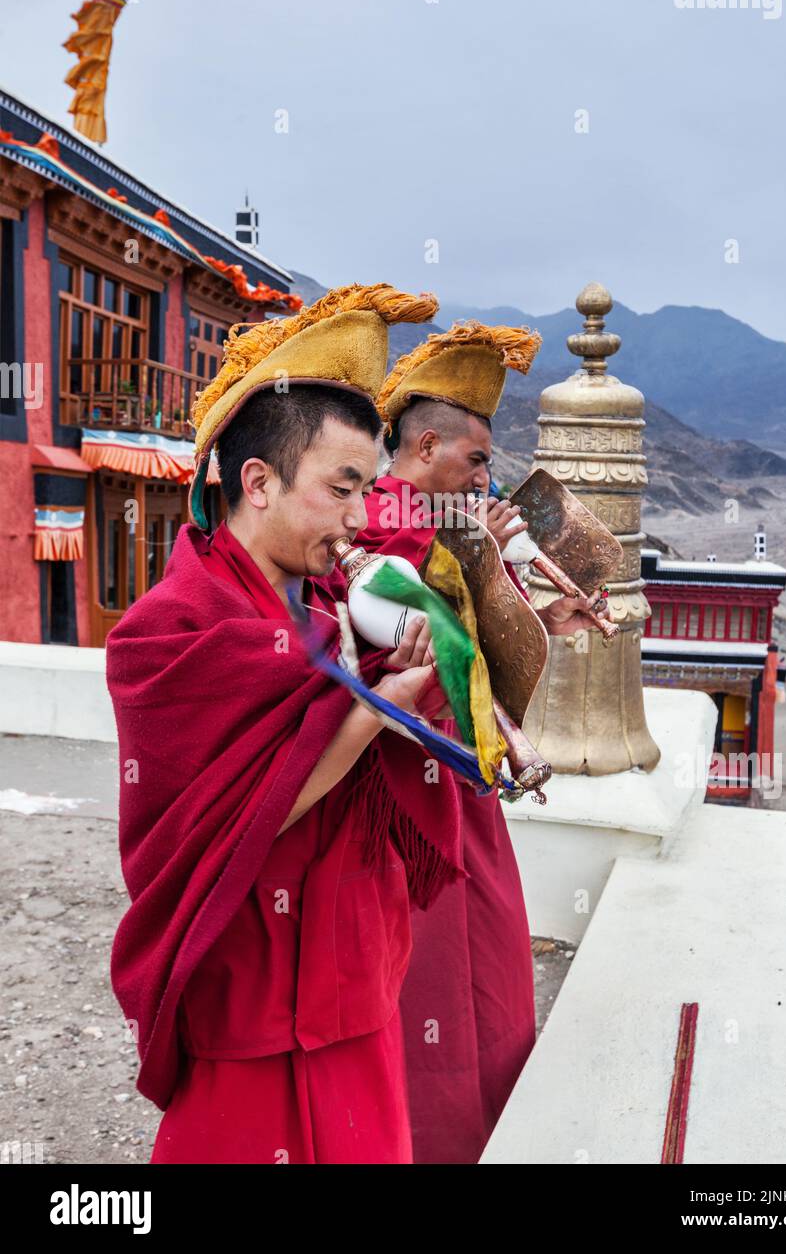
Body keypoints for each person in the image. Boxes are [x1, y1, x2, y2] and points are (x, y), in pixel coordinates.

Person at [106, 284, 464, 1165]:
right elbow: (243, 815)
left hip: (355, 983)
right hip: (251, 1004)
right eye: (343, 489)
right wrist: (375, 710)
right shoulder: (165, 632)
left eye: (369, 491)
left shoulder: (342, 601)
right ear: (258, 482)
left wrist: (434, 670)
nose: (359, 519)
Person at [320, 319, 609, 1163]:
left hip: (461, 778)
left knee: (490, 971)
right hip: (408, 792)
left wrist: (545, 615)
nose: (490, 478)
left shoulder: (446, 528)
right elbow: (428, 647)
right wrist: (503, 730)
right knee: (438, 986)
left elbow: (473, 642)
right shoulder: (378, 528)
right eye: (477, 461)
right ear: (430, 445)